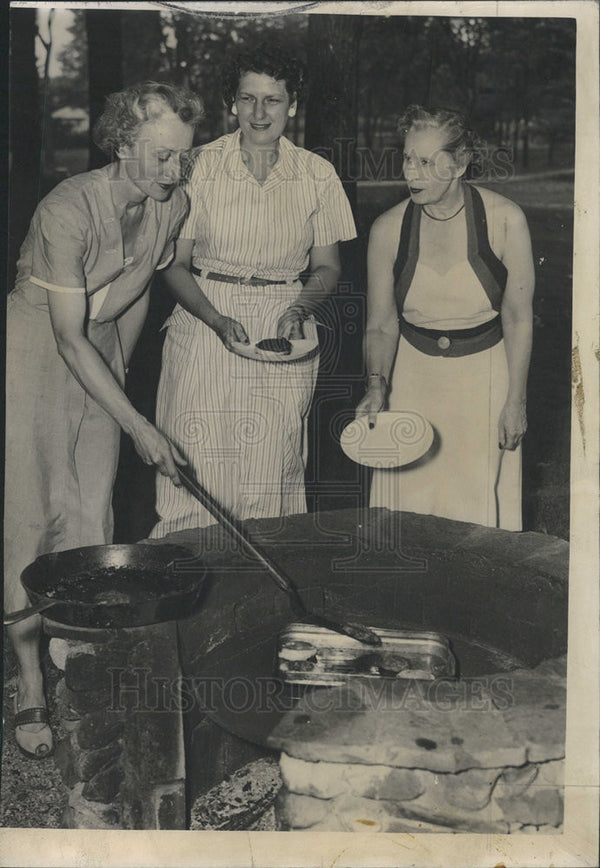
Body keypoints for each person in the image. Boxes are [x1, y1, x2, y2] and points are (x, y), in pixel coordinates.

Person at [5, 81, 204, 758]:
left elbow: (138, 292)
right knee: (31, 515)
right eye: (159, 155)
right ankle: (29, 682)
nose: (173, 171)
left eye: (182, 157)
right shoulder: (69, 209)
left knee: (92, 512)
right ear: (122, 142)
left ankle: (79, 661)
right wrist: (140, 423)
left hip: (102, 350)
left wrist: (118, 378)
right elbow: (65, 336)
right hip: (36, 349)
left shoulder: (169, 204)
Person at [151, 43, 356, 537]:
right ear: (232, 102)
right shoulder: (198, 165)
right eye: (248, 99)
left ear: (292, 104)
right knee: (195, 468)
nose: (260, 113)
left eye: (273, 99)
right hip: (205, 318)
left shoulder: (317, 174)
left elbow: (326, 267)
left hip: (284, 326)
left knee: (273, 469)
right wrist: (217, 319)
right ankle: (190, 594)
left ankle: (267, 602)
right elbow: (175, 265)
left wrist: (299, 308)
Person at [355, 105, 534, 530]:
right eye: (407, 158)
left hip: (484, 379)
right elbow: (381, 324)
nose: (411, 174)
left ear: (460, 163)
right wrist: (377, 386)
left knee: (475, 517)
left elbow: (517, 317)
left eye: (427, 162)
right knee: (407, 511)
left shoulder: (506, 220)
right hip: (412, 380)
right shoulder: (387, 229)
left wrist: (516, 401)